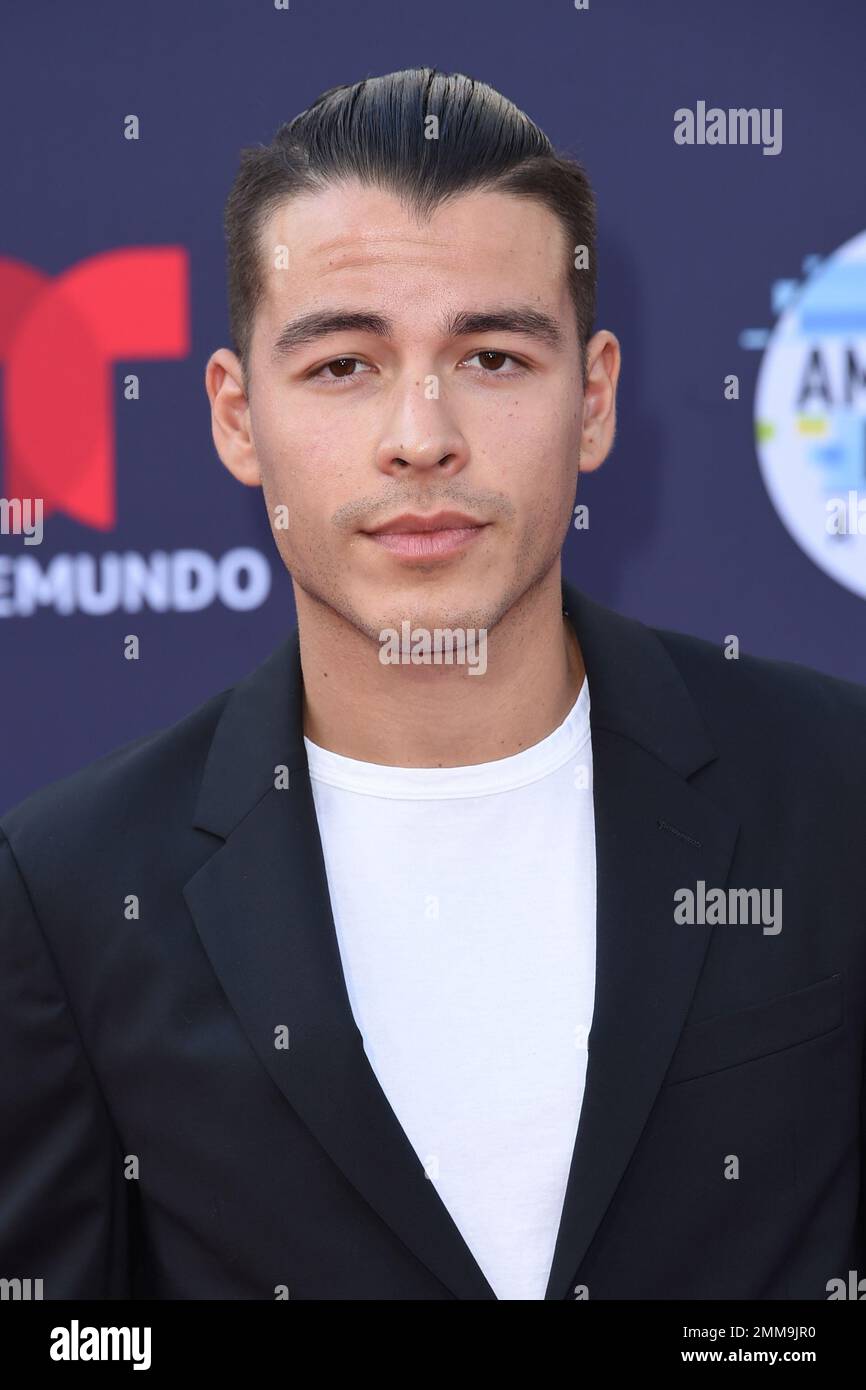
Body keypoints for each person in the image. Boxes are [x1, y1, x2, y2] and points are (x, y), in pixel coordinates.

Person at [1, 67, 863, 1302]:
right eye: (344, 365)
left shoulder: (835, 790)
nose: (421, 433)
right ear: (236, 418)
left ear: (594, 399)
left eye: (495, 357)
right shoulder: (72, 892)